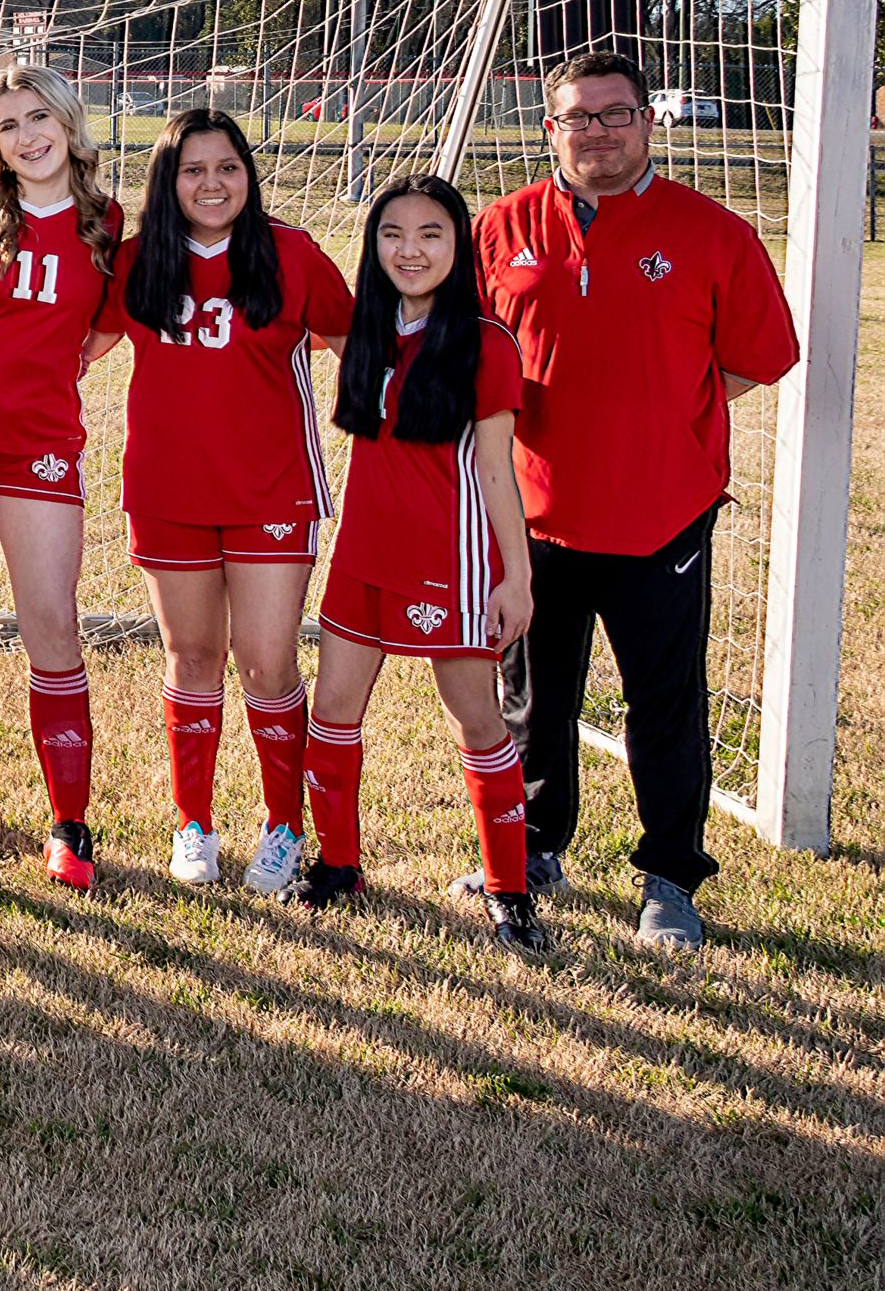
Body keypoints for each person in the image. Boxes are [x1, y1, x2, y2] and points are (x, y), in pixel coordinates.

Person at [476, 52, 798, 953]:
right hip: (534, 510)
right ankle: (537, 848)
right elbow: (472, 357)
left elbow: (757, 355)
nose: (598, 132)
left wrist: (668, 411)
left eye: (616, 115)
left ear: (649, 122)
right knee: (534, 698)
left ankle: (670, 876)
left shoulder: (712, 233)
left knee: (663, 700)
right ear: (551, 129)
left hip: (661, 512)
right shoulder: (503, 227)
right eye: (578, 117)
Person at [99, 109, 353, 900]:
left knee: (268, 661)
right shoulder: (139, 261)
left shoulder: (293, 254)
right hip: (169, 491)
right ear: (167, 183)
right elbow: (66, 347)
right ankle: (194, 821)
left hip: (271, 491)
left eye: (228, 168)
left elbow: (364, 342)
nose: (212, 184)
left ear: (248, 174)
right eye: (193, 170)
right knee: (192, 657)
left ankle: (283, 826)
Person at [299, 176, 544, 950]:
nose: (410, 250)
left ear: (458, 244)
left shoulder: (485, 341)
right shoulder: (368, 330)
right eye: (393, 234)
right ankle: (339, 864)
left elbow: (499, 470)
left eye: (431, 234)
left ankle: (509, 890)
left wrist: (517, 574)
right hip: (363, 555)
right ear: (373, 247)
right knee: (333, 712)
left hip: (454, 561)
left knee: (474, 717)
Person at [0, 63, 123, 888]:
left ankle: (70, 824)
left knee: (51, 621)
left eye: (38, 117)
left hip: (42, 439)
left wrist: (59, 368)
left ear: (68, 121)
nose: (27, 136)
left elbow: (106, 327)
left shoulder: (105, 221)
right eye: (8, 125)